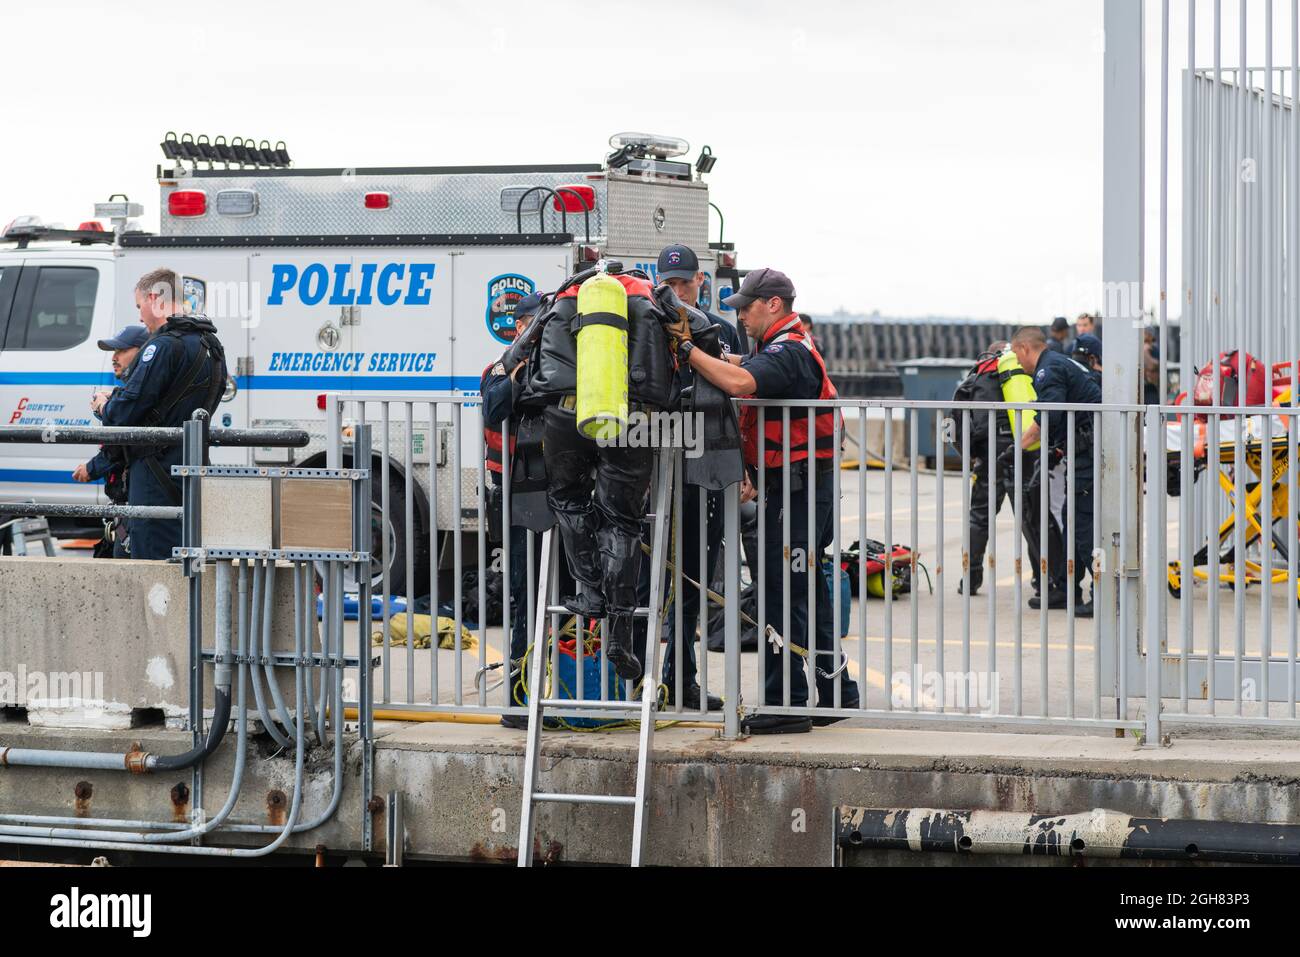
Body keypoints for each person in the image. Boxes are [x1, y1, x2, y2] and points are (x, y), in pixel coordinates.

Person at [678, 267, 860, 734]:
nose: (739, 313)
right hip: (796, 485)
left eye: (745, 306)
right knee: (807, 589)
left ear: (773, 304)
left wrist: (687, 350)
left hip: (798, 491)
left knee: (781, 591)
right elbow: (745, 368)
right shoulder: (781, 348)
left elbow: (739, 384)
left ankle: (787, 702)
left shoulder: (788, 351)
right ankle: (837, 691)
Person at [527, 268, 679, 682]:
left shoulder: (563, 294)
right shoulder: (651, 295)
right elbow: (692, 334)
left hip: (565, 412)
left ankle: (590, 590)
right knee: (624, 522)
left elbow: (526, 349)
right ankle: (621, 636)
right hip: (630, 418)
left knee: (567, 497)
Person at [634, 244, 742, 711]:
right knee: (641, 579)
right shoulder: (643, 327)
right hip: (649, 469)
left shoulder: (724, 329)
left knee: (695, 579)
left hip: (704, 468)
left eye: (685, 283)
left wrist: (747, 468)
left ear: (701, 281)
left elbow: (742, 394)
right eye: (669, 284)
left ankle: (683, 679)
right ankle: (636, 680)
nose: (678, 293)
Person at [96, 268, 227, 560]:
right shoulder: (212, 345)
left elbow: (124, 411)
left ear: (154, 299)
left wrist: (106, 405)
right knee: (186, 564)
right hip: (192, 469)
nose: (140, 316)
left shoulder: (162, 346)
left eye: (140, 305)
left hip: (154, 476)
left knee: (153, 570)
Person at [480, 293, 548, 728]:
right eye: (534, 325)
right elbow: (495, 406)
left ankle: (560, 694)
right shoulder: (500, 369)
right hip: (518, 492)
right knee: (526, 593)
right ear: (521, 327)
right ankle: (521, 699)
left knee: (559, 596)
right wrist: (520, 367)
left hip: (560, 491)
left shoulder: (562, 366)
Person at [948, 341, 1056, 597]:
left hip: (990, 454)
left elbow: (957, 418)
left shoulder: (980, 373)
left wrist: (971, 455)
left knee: (979, 518)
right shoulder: (1021, 372)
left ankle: (970, 579)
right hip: (1025, 450)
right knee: (1032, 520)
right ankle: (1043, 582)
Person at [1010, 326, 1101, 616]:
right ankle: (1066, 587)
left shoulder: (1046, 370)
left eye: (1016, 355)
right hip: (1085, 448)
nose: (1016, 362)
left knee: (1083, 524)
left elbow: (1049, 415)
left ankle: (1104, 594)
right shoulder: (1059, 362)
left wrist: (1017, 447)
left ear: (1025, 349)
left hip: (1089, 451)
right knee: (1070, 519)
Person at [74, 326, 150, 557]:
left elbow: (118, 447)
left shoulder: (141, 393)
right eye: (113, 351)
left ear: (143, 352)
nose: (114, 357)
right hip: (129, 506)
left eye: (121, 350)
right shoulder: (134, 392)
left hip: (136, 509)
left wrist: (91, 468)